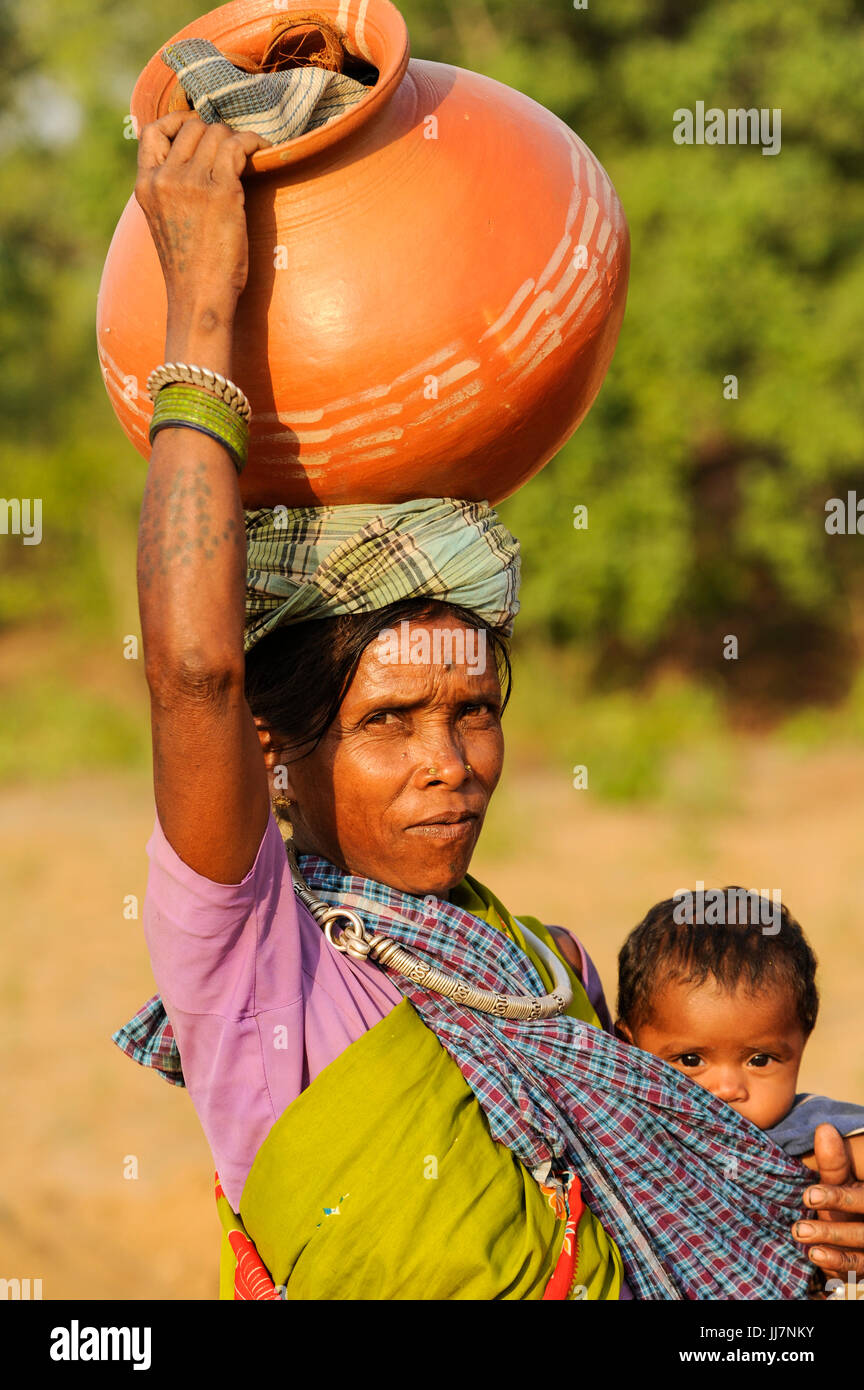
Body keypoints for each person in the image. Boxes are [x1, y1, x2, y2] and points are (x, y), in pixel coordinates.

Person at [115, 109, 864, 1301]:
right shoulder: (260, 963)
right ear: (275, 746)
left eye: (473, 711)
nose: (450, 762)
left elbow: (674, 1189)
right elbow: (194, 669)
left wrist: (809, 1208)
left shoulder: (546, 968)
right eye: (389, 721)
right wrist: (203, 293)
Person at [615, 892, 864, 1171]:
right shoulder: (612, 1128)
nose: (727, 1090)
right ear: (627, 1047)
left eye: (759, 1060)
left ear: (801, 1044)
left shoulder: (805, 1129)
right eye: (690, 1060)